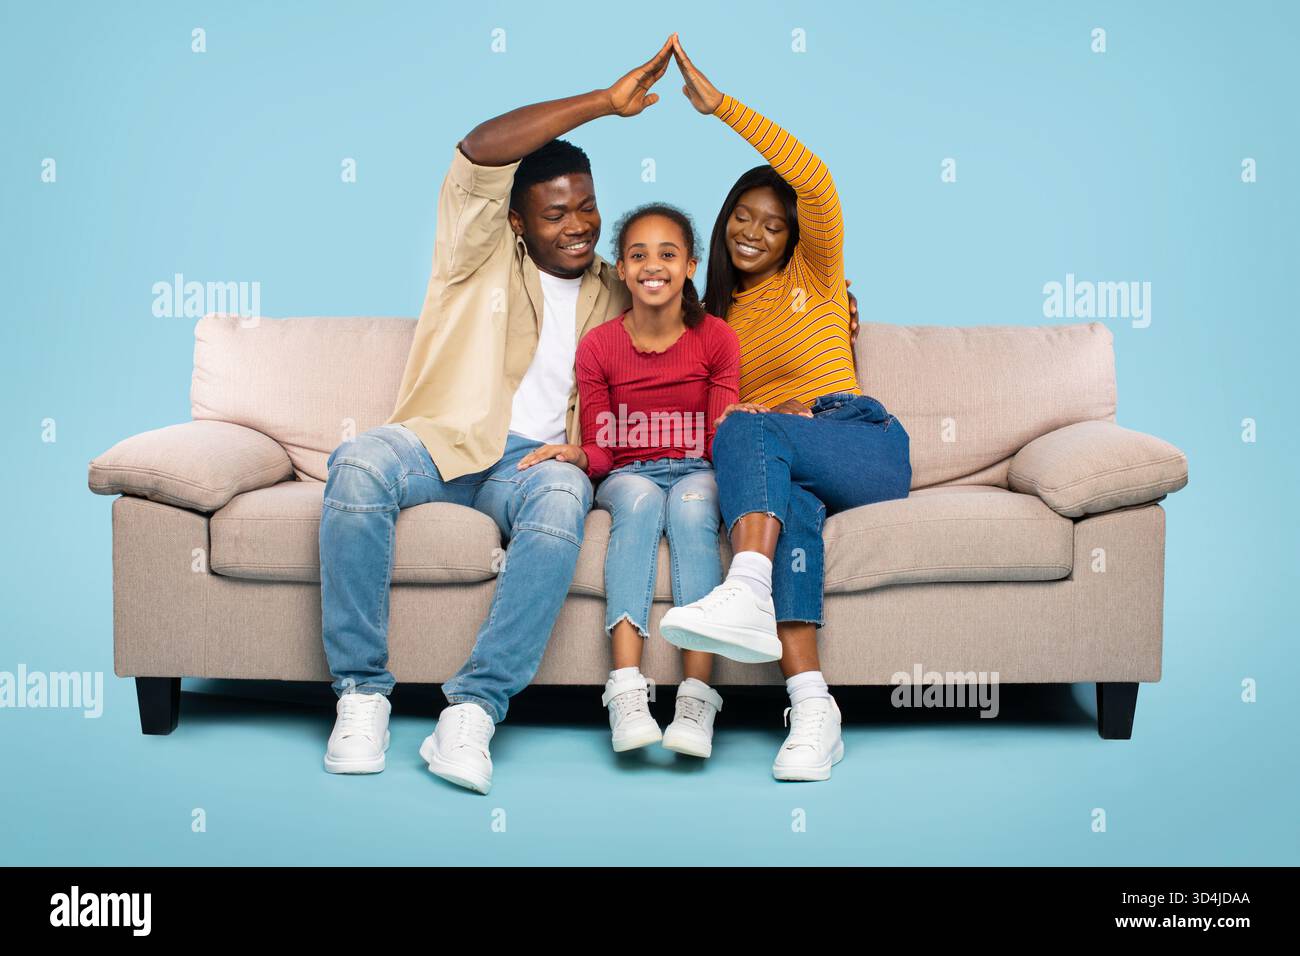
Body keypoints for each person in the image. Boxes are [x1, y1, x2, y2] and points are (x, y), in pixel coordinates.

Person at [317, 40, 679, 794]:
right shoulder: (473, 252)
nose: (578, 224)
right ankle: (360, 695)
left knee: (563, 500)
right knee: (356, 463)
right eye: (555, 213)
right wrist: (605, 104)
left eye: (587, 206)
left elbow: (697, 324)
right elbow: (477, 149)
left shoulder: (617, 289)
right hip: (440, 443)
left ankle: (473, 712)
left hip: (530, 467)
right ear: (515, 221)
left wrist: (819, 315)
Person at [658, 37, 913, 782]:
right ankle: (812, 710)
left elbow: (816, 178)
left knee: (750, 429)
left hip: (861, 441)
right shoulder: (713, 322)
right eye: (743, 216)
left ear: (795, 236)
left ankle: (742, 589)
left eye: (773, 223)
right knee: (789, 515)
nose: (754, 233)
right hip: (790, 466)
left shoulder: (816, 271)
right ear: (724, 219)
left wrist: (719, 107)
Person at [518, 203, 739, 758]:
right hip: (627, 474)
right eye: (638, 255)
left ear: (690, 265)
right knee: (639, 500)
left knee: (691, 505)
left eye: (668, 254)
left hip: (698, 468)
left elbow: (718, 441)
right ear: (621, 269)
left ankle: (696, 697)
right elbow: (601, 448)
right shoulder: (598, 346)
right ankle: (625, 691)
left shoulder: (717, 340)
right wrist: (574, 453)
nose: (652, 266)